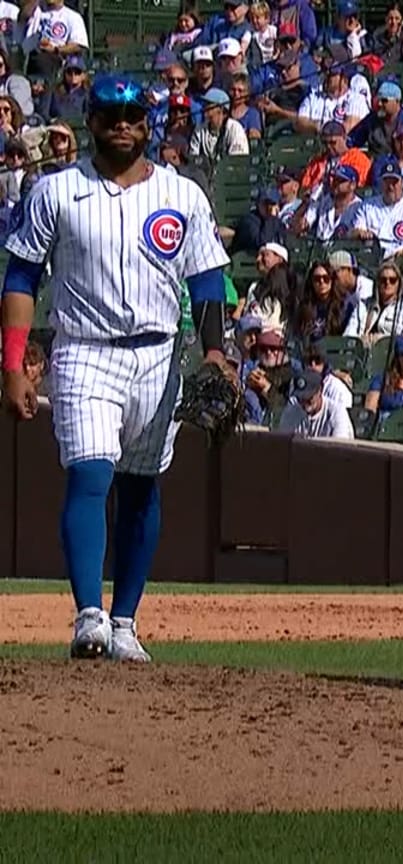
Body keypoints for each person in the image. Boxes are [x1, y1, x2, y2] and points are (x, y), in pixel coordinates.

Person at [1, 75, 230, 661]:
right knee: (90, 474)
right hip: (84, 349)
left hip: (159, 353)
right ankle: (88, 616)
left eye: (133, 114)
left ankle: (125, 620)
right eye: (111, 114)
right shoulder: (57, 190)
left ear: (147, 124)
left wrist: (214, 351)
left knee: (141, 488)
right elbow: (22, 275)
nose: (123, 124)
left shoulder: (183, 194)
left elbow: (205, 280)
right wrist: (13, 364)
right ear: (92, 123)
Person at [275, 368, 354, 439]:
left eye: (309, 397)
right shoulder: (291, 412)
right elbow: (283, 445)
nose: (304, 402)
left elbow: (339, 449)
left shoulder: (337, 412)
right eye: (300, 398)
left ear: (320, 390)